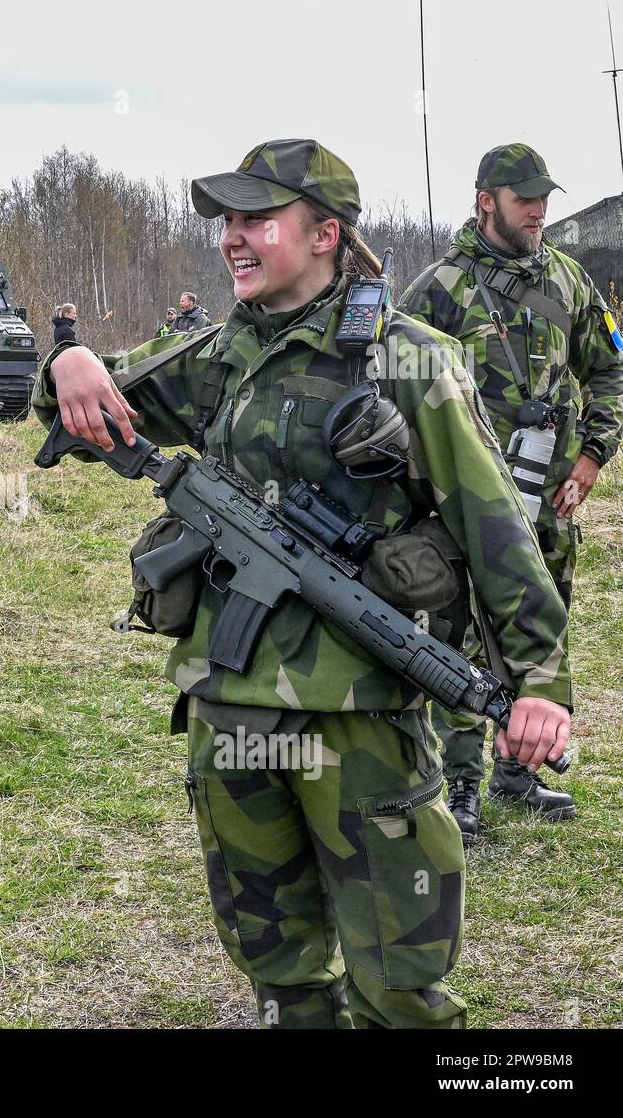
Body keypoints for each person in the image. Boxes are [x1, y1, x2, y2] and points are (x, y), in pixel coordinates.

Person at [33, 138, 573, 1029]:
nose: (233, 239)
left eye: (257, 219)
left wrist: (539, 683)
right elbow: (76, 409)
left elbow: (495, 531)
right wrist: (70, 361)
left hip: (360, 719)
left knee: (400, 983)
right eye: (228, 222)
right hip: (229, 710)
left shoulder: (408, 361)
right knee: (278, 967)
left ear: (326, 233)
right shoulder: (217, 353)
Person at [399, 143, 621, 845]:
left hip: (550, 510)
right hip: (466, 511)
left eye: (543, 197)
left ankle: (521, 770)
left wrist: (591, 455)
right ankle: (460, 786)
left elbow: (610, 370)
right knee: (462, 643)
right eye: (524, 197)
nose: (539, 209)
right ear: (485, 199)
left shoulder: (569, 280)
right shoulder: (438, 288)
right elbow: (389, 393)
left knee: (537, 629)